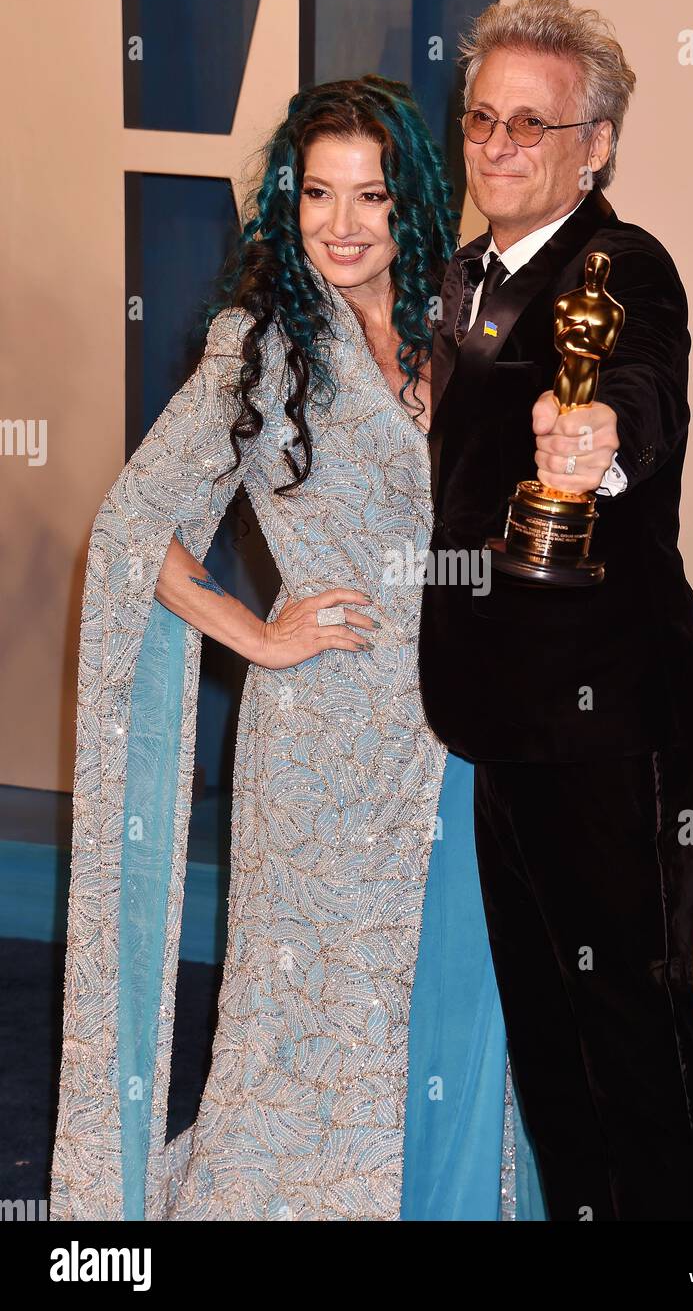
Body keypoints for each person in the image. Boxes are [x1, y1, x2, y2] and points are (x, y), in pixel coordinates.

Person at [49, 76, 544, 1221]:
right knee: (317, 1006)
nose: (342, 222)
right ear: (289, 199)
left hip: (459, 731)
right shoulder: (258, 344)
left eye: (369, 195)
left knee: (453, 992)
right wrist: (258, 638)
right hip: (321, 745)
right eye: (317, 192)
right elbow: (133, 530)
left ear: (409, 205)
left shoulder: (456, 323)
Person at [419, 0, 693, 1221]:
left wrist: (602, 442)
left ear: (593, 145)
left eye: (531, 126)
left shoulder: (621, 263)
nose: (498, 146)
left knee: (631, 1029)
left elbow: (644, 383)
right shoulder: (466, 275)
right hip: (502, 717)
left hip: (612, 724)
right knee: (548, 1027)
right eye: (483, 119)